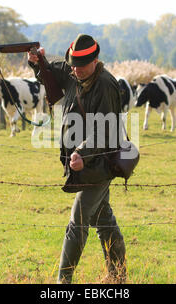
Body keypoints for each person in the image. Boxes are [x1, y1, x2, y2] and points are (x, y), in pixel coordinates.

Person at [28, 34, 127, 284]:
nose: (75, 69)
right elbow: (50, 72)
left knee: (78, 220)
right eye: (72, 63)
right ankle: (118, 276)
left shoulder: (106, 85)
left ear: (95, 61)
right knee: (102, 219)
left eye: (81, 65)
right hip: (81, 160)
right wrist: (36, 61)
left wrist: (82, 152)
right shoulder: (73, 72)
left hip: (101, 162)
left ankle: (63, 282)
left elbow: (106, 130)